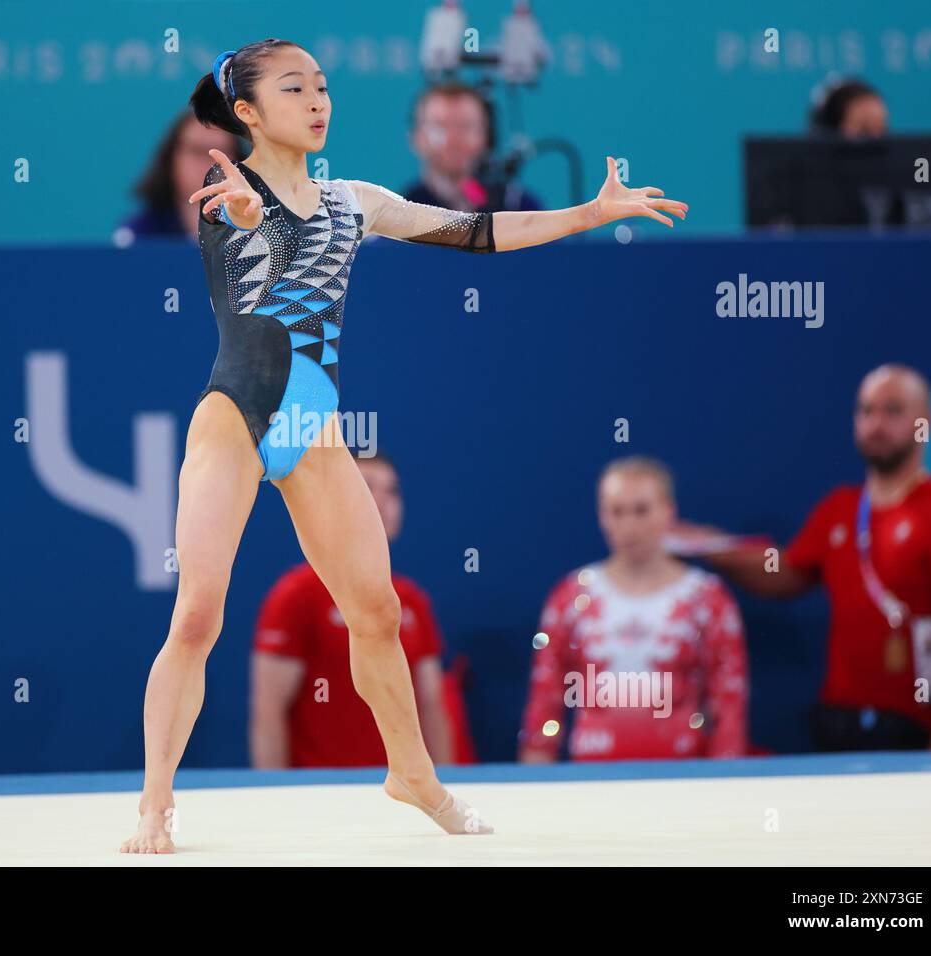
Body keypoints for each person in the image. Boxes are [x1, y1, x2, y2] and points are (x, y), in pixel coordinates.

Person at [120, 37, 687, 854]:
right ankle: (155, 804)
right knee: (198, 615)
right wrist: (251, 218)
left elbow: (479, 231)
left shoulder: (357, 200)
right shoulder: (225, 191)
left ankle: (412, 773)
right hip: (234, 421)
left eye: (322, 86)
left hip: (312, 431)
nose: (317, 100)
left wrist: (588, 215)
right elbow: (246, 253)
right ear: (246, 112)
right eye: (293, 89)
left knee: (377, 611)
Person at [679, 365, 931, 752]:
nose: (876, 423)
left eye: (893, 411)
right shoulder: (840, 508)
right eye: (866, 411)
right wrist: (712, 545)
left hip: (916, 727)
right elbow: (783, 573)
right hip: (839, 722)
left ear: (926, 423)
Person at [520, 457, 748, 763]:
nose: (628, 526)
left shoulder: (707, 598)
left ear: (668, 511)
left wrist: (726, 782)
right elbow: (544, 705)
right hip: (592, 776)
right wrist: (536, 779)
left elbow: (728, 706)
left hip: (684, 776)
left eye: (641, 510)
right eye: (616, 512)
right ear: (602, 516)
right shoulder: (572, 596)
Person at [250, 449, 455, 768]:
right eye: (368, 486)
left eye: (392, 490)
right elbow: (268, 712)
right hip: (322, 793)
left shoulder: (412, 600)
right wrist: (274, 794)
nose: (383, 500)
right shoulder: (296, 596)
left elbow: (432, 707)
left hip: (400, 791)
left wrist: (443, 789)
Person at [401, 82, 544, 213]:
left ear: (487, 137)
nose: (454, 139)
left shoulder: (518, 208)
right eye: (439, 127)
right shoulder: (400, 213)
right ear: (416, 137)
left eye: (466, 127)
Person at [115, 109, 244, 242]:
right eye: (198, 151)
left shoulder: (256, 229)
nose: (210, 164)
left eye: (223, 152)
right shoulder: (139, 232)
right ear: (171, 158)